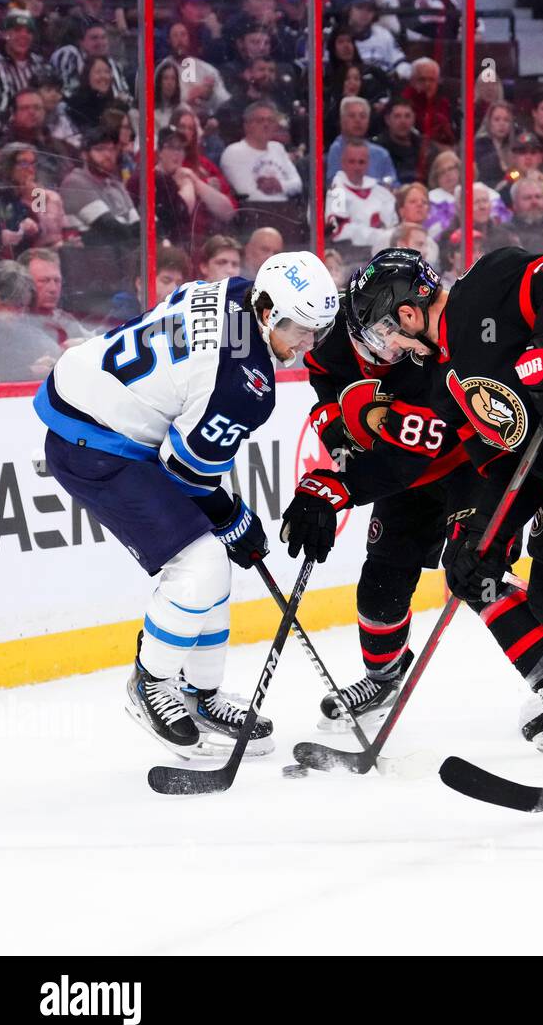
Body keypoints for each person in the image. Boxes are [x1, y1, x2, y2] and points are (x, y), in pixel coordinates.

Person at [287, 245, 543, 809]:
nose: (390, 349)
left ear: (409, 313)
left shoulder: (486, 285)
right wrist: (489, 537)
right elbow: (502, 463)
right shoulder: (445, 381)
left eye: (389, 332)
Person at [33, 252, 339, 757]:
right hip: (92, 441)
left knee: (211, 559)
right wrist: (233, 517)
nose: (306, 346)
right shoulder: (247, 384)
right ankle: (150, 684)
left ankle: (201, 695)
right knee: (200, 564)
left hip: (100, 402)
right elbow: (186, 471)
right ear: (265, 312)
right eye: (299, 330)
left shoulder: (241, 290)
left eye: (316, 333)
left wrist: (226, 516)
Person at [287, 255, 543, 751]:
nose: (383, 346)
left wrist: (346, 486)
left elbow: (432, 444)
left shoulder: (440, 345)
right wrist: (339, 459)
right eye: (370, 333)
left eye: (385, 330)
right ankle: (385, 676)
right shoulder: (337, 343)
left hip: (471, 467)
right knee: (380, 580)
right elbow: (329, 402)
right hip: (403, 474)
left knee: (473, 569)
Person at [60, 126, 140, 247]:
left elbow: (136, 223)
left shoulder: (116, 185)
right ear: (84, 155)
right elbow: (109, 227)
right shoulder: (75, 182)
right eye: (100, 149)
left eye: (112, 149)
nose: (108, 155)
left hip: (120, 252)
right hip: (92, 256)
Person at [219, 100, 303, 204]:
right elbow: (247, 194)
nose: (266, 125)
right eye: (260, 120)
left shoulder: (277, 148)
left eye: (271, 120)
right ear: (246, 125)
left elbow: (298, 184)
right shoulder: (233, 153)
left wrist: (280, 185)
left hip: (288, 211)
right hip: (256, 214)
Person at [326, 137, 397, 251]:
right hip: (350, 254)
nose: (357, 167)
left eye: (361, 162)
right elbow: (338, 232)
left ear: (368, 163)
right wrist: (377, 235)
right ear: (343, 163)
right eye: (352, 161)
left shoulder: (382, 193)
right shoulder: (336, 193)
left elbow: (394, 226)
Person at [20, 248, 87, 346]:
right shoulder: (13, 323)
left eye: (57, 281)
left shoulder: (65, 319)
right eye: (44, 281)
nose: (53, 289)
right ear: (25, 282)